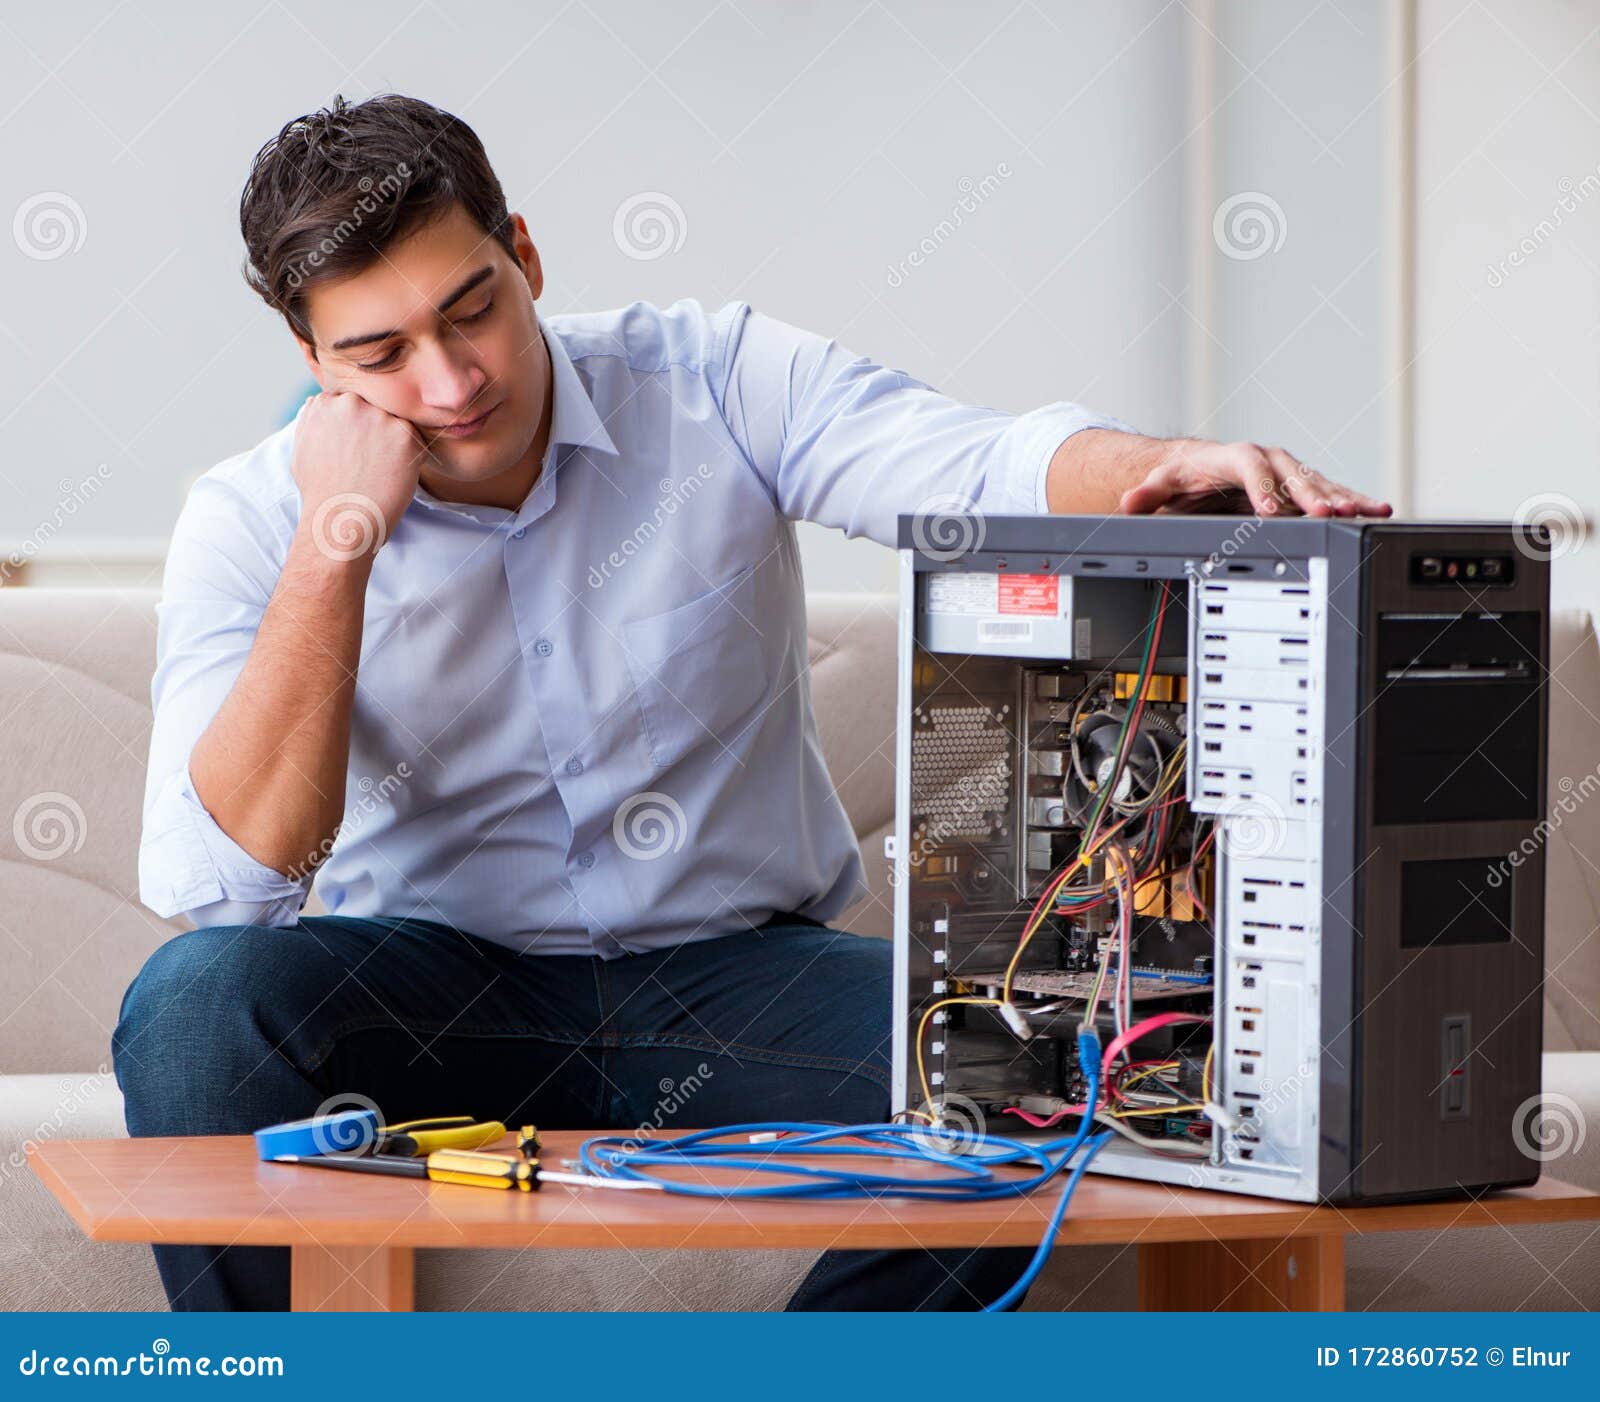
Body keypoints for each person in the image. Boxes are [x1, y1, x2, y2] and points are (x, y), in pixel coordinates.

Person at [112, 92, 1391, 1312]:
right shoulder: (252, 515)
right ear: (310, 359)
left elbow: (979, 466)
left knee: (1062, 1062)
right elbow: (230, 894)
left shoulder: (713, 378)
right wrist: (337, 544)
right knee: (193, 1009)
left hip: (734, 985)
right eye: (381, 354)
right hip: (441, 993)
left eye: (471, 311)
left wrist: (1154, 466)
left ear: (525, 255)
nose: (451, 384)